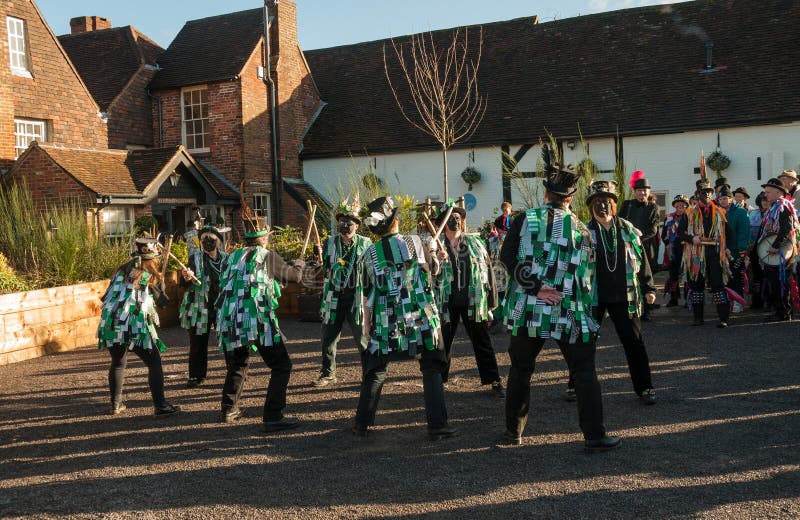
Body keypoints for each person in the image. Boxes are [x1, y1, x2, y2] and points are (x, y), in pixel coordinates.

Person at [500, 164, 619, 452]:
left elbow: (506, 258)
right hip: (568, 306)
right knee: (583, 371)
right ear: (570, 199)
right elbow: (588, 275)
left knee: (521, 369)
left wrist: (536, 287)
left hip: (530, 306)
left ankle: (513, 432)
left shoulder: (523, 219)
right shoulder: (583, 230)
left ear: (545, 195)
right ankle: (594, 435)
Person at [353, 196, 456, 439]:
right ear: (396, 221)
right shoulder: (416, 242)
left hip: (385, 319)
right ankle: (438, 426)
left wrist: (367, 327)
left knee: (376, 369)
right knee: (431, 367)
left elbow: (367, 291)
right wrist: (437, 261)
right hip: (419, 315)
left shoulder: (368, 254)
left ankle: (362, 423)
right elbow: (432, 273)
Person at [564, 180, 657, 405]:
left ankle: (645, 387)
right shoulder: (583, 233)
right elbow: (573, 265)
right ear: (590, 207)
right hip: (593, 297)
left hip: (624, 296)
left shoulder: (627, 229)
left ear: (614, 205)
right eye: (597, 203)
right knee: (584, 341)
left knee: (634, 342)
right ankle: (574, 384)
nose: (602, 207)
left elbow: (641, 260)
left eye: (607, 202)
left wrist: (649, 287)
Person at [215, 211, 305, 431]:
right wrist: (300, 265)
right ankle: (273, 415)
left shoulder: (232, 257)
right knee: (281, 365)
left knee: (238, 363)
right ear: (264, 238)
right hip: (257, 320)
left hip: (231, 321)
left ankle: (229, 409)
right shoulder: (267, 256)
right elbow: (294, 278)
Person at [97, 237, 180, 416]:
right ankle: (160, 405)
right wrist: (161, 283)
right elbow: (164, 302)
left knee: (118, 362)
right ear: (153, 259)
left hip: (111, 323)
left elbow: (108, 297)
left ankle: (115, 404)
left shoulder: (121, 271)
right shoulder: (151, 276)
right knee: (154, 362)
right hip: (134, 323)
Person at [431, 199, 505, 397]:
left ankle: (494, 380)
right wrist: (435, 261)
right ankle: (439, 380)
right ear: (442, 224)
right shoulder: (434, 247)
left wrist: (491, 302)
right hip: (446, 303)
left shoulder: (475, 243)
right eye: (450, 218)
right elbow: (425, 275)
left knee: (482, 340)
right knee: (442, 341)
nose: (455, 221)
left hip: (473, 301)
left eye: (458, 217)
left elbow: (488, 271)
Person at [314, 196, 372, 387]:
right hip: (334, 295)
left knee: (362, 337)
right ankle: (328, 373)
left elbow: (372, 268)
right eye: (342, 221)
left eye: (349, 222)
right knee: (328, 337)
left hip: (356, 296)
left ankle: (369, 373)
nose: (345, 225)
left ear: (357, 225)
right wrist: (316, 257)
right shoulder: (329, 242)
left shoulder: (366, 243)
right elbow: (320, 269)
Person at [678, 179, 733, 328]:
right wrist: (692, 238)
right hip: (696, 255)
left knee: (718, 285)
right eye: (704, 193)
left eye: (709, 192)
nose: (707, 195)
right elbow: (680, 233)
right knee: (696, 286)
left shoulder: (720, 213)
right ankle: (698, 318)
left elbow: (729, 234)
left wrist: (728, 249)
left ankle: (723, 318)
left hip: (715, 254)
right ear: (697, 195)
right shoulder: (688, 213)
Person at [179, 226, 228, 388]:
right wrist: (186, 277)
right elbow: (183, 284)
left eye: (211, 238)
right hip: (200, 307)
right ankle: (196, 375)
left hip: (222, 306)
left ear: (219, 241)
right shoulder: (195, 259)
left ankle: (235, 372)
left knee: (229, 340)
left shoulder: (227, 259)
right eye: (203, 239)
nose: (207, 242)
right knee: (198, 342)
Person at [619, 174, 660, 320]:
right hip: (628, 248)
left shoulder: (653, 207)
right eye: (639, 190)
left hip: (646, 247)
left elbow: (653, 230)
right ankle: (631, 307)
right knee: (630, 277)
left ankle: (646, 311)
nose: (642, 193)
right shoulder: (627, 205)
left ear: (649, 192)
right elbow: (619, 223)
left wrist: (636, 239)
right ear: (634, 192)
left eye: (645, 190)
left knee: (646, 278)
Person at [758, 178, 798, 322]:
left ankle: (784, 313)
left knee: (781, 282)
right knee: (775, 282)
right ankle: (780, 310)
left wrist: (775, 246)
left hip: (782, 252)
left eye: (768, 192)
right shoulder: (774, 207)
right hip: (777, 252)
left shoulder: (783, 206)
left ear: (778, 192)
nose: (766, 195)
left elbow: (786, 229)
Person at [716, 187, 750, 312]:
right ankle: (729, 301)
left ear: (731, 199)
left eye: (725, 198)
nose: (723, 201)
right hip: (722, 250)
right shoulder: (718, 212)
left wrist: (742, 249)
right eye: (720, 199)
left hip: (736, 250)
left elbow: (744, 231)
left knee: (736, 277)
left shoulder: (740, 212)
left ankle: (738, 301)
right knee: (726, 277)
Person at [661, 194, 689, 307]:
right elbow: (664, 234)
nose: (680, 207)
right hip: (673, 249)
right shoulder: (669, 218)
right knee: (673, 275)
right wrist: (668, 245)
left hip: (687, 248)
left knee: (688, 274)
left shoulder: (691, 217)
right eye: (677, 205)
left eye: (682, 205)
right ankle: (674, 298)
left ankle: (688, 299)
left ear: (686, 206)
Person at [748, 192, 769, 309]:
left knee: (768, 276)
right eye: (763, 200)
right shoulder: (753, 214)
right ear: (759, 201)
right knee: (756, 276)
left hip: (769, 249)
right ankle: (757, 302)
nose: (765, 202)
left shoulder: (774, 212)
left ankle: (768, 302)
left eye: (767, 199)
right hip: (755, 250)